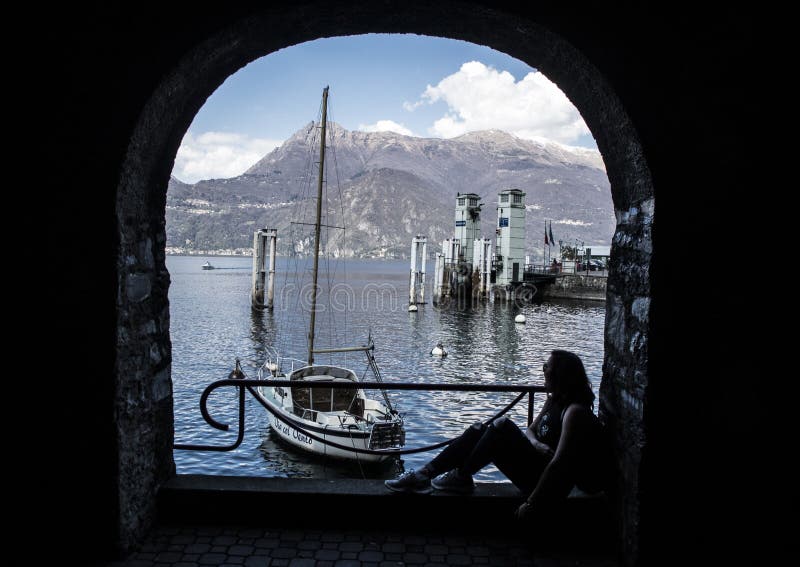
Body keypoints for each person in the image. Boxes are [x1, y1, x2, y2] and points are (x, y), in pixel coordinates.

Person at [384, 349, 612, 520]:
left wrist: (531, 505)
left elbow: (559, 465)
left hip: (545, 484)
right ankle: (425, 474)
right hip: (536, 464)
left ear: (560, 374)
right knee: (478, 430)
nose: (543, 369)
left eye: (546, 366)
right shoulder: (554, 400)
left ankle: (461, 477)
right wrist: (535, 444)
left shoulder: (574, 412)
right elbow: (531, 430)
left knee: (501, 426)